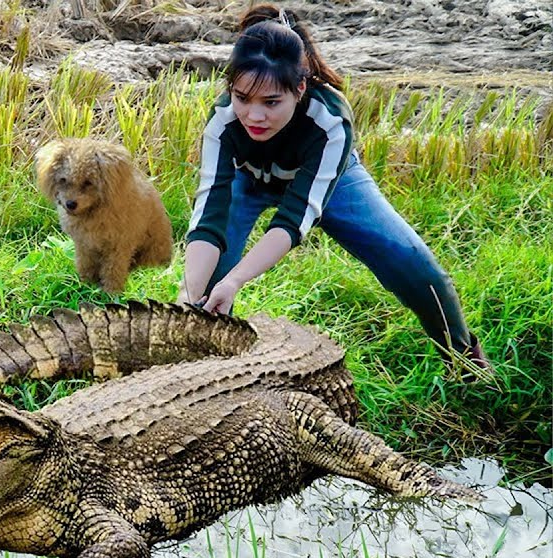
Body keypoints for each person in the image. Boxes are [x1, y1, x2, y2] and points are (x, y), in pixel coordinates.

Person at [177, 4, 489, 375]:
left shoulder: (330, 121)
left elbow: (294, 219)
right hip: (248, 179)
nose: (254, 116)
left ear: (300, 87)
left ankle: (465, 361)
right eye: (243, 98)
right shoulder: (223, 118)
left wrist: (236, 280)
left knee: (415, 267)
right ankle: (202, 377)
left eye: (272, 102)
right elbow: (210, 213)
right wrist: (188, 292)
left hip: (330, 181)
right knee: (204, 291)